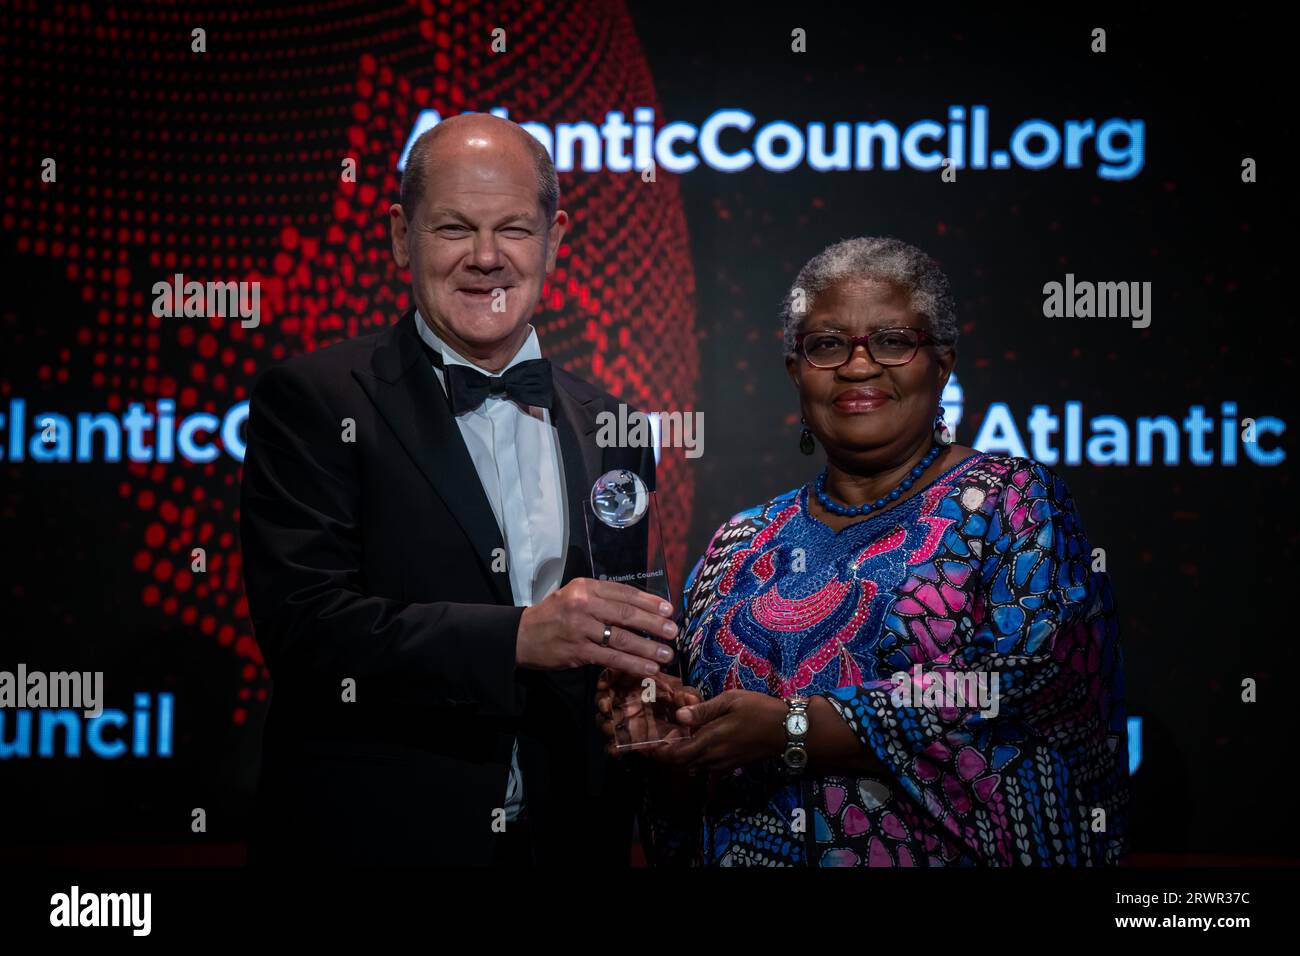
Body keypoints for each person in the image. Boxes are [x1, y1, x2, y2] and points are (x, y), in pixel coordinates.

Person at [598, 236, 1129, 866]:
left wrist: (794, 727)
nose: (858, 366)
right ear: (796, 369)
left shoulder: (1010, 502)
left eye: (892, 340)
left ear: (942, 362)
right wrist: (667, 723)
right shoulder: (738, 544)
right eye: (827, 345)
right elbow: (698, 742)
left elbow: (1017, 688)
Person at [240, 113, 678, 866]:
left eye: (512, 228)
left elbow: (624, 625)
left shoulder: (617, 426)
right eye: (453, 229)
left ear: (555, 239)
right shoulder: (314, 400)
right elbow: (307, 632)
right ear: (398, 236)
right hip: (378, 843)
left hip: (568, 840)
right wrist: (518, 638)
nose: (485, 258)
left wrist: (643, 689)